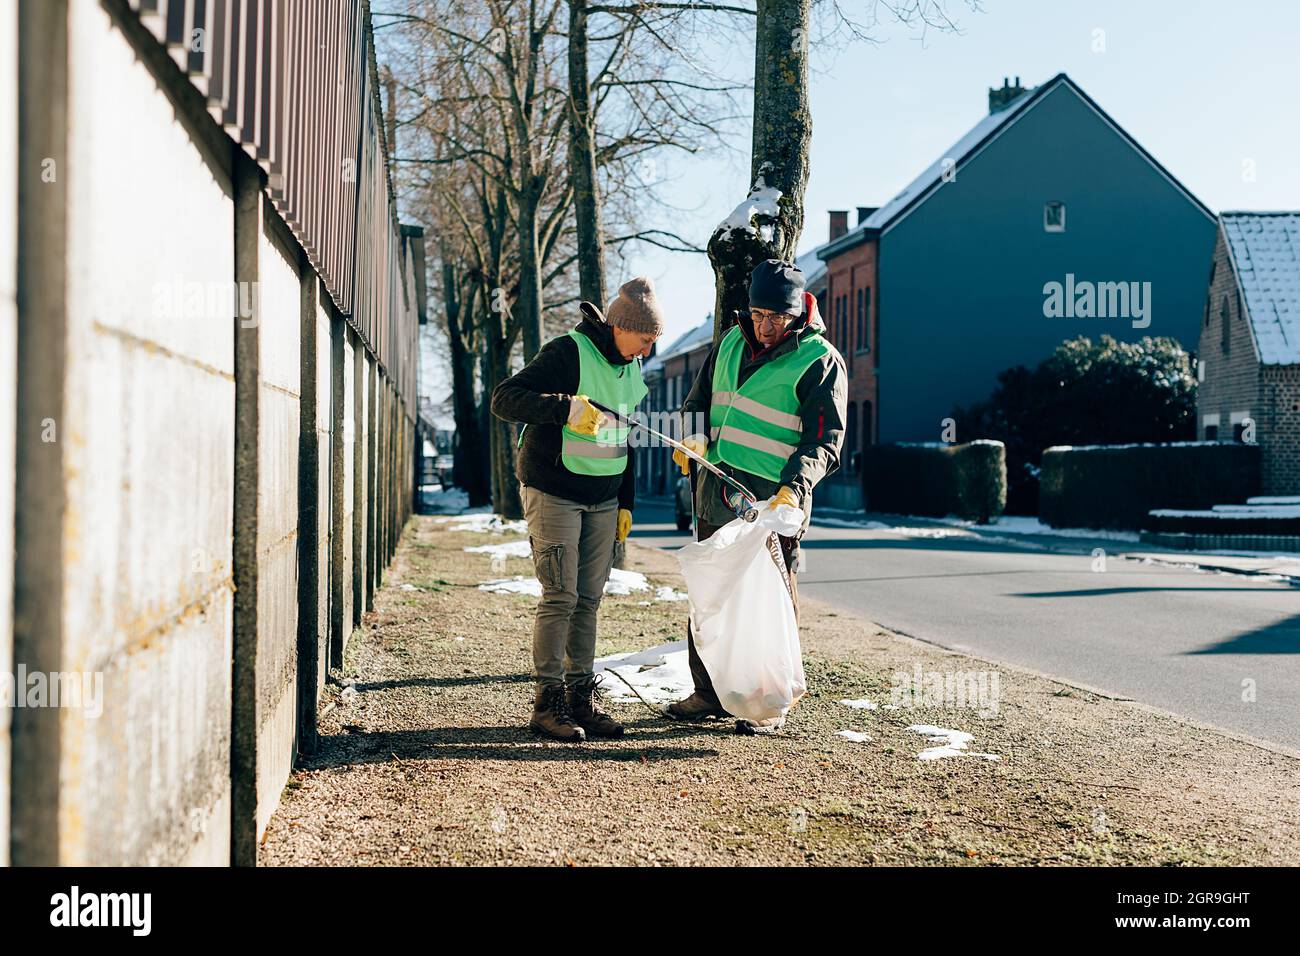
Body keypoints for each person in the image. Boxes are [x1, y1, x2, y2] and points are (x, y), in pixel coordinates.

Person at [666, 259, 847, 732]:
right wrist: (693, 437)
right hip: (715, 493)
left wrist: (795, 487)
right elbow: (696, 403)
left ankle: (767, 702)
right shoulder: (728, 341)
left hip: (773, 503)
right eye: (759, 314)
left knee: (767, 602)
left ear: (800, 312)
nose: (766, 327)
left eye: (777, 318)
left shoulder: (820, 360)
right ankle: (707, 692)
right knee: (711, 595)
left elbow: (825, 440)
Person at [491, 278, 663, 741]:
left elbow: (624, 437)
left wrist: (626, 501)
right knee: (560, 597)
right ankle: (547, 706)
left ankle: (580, 701)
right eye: (646, 338)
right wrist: (565, 408)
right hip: (554, 489)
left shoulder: (632, 368)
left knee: (588, 600)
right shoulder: (567, 352)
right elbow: (505, 399)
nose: (649, 349)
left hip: (604, 497)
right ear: (622, 327)